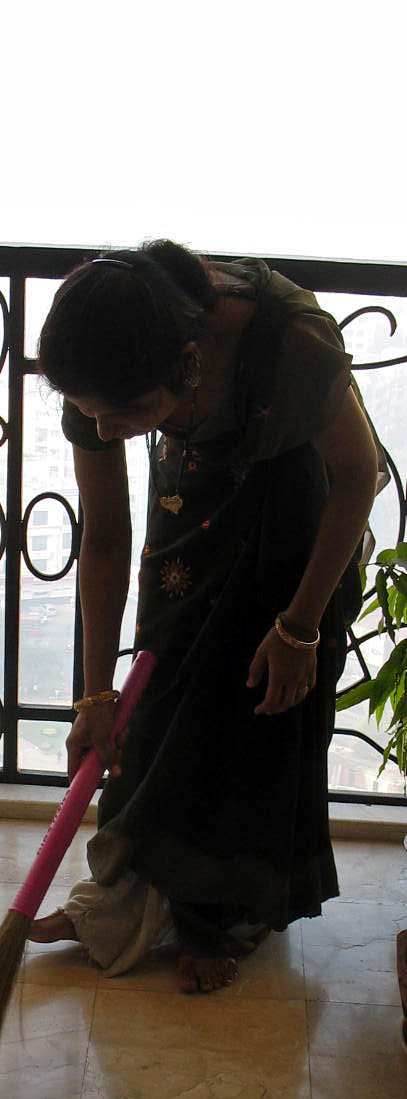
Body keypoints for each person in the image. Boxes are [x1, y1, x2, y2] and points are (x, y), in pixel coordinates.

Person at [27, 240, 384, 993]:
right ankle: (117, 904)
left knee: (256, 717)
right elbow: (105, 535)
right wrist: (94, 696)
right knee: (150, 709)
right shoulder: (103, 361)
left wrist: (300, 627)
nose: (107, 430)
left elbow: (358, 477)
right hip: (189, 514)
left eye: (129, 414)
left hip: (299, 533)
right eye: (92, 414)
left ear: (189, 363)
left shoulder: (288, 343)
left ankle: (217, 920)